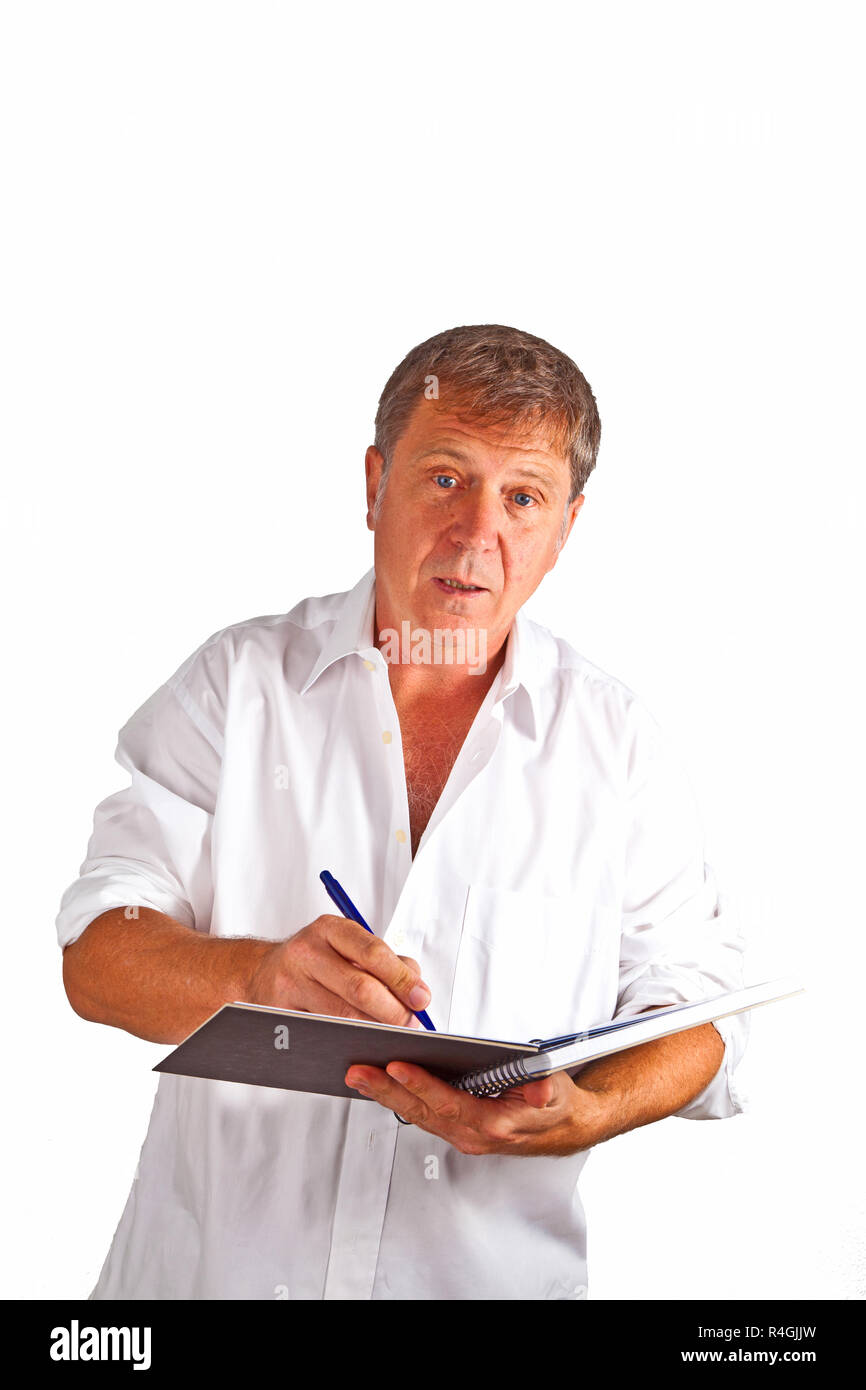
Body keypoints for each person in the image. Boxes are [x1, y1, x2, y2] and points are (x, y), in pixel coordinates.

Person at [57, 324, 746, 1300]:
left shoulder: (618, 747)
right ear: (374, 484)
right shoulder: (237, 686)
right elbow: (98, 953)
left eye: (521, 497)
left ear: (564, 529)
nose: (476, 536)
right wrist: (255, 971)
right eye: (443, 478)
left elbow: (698, 1014)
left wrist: (588, 1111)